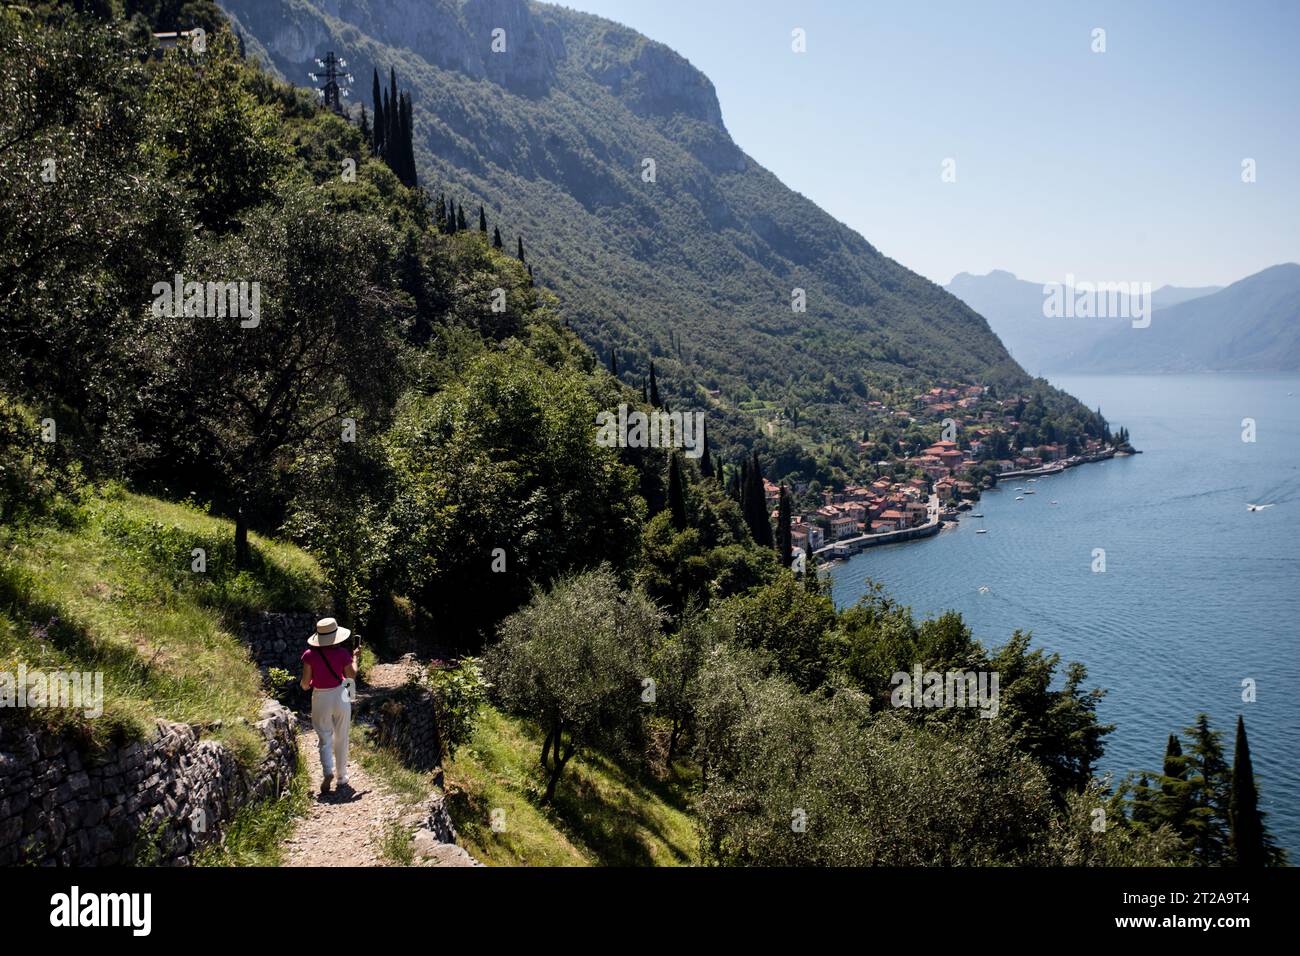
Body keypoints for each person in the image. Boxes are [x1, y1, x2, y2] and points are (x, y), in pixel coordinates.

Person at [300, 617, 358, 794]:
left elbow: (305, 683)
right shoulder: (342, 654)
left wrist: (310, 682)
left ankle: (327, 772)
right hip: (341, 694)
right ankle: (342, 777)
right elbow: (351, 677)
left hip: (320, 697)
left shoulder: (309, 655)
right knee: (341, 736)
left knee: (324, 737)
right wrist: (355, 658)